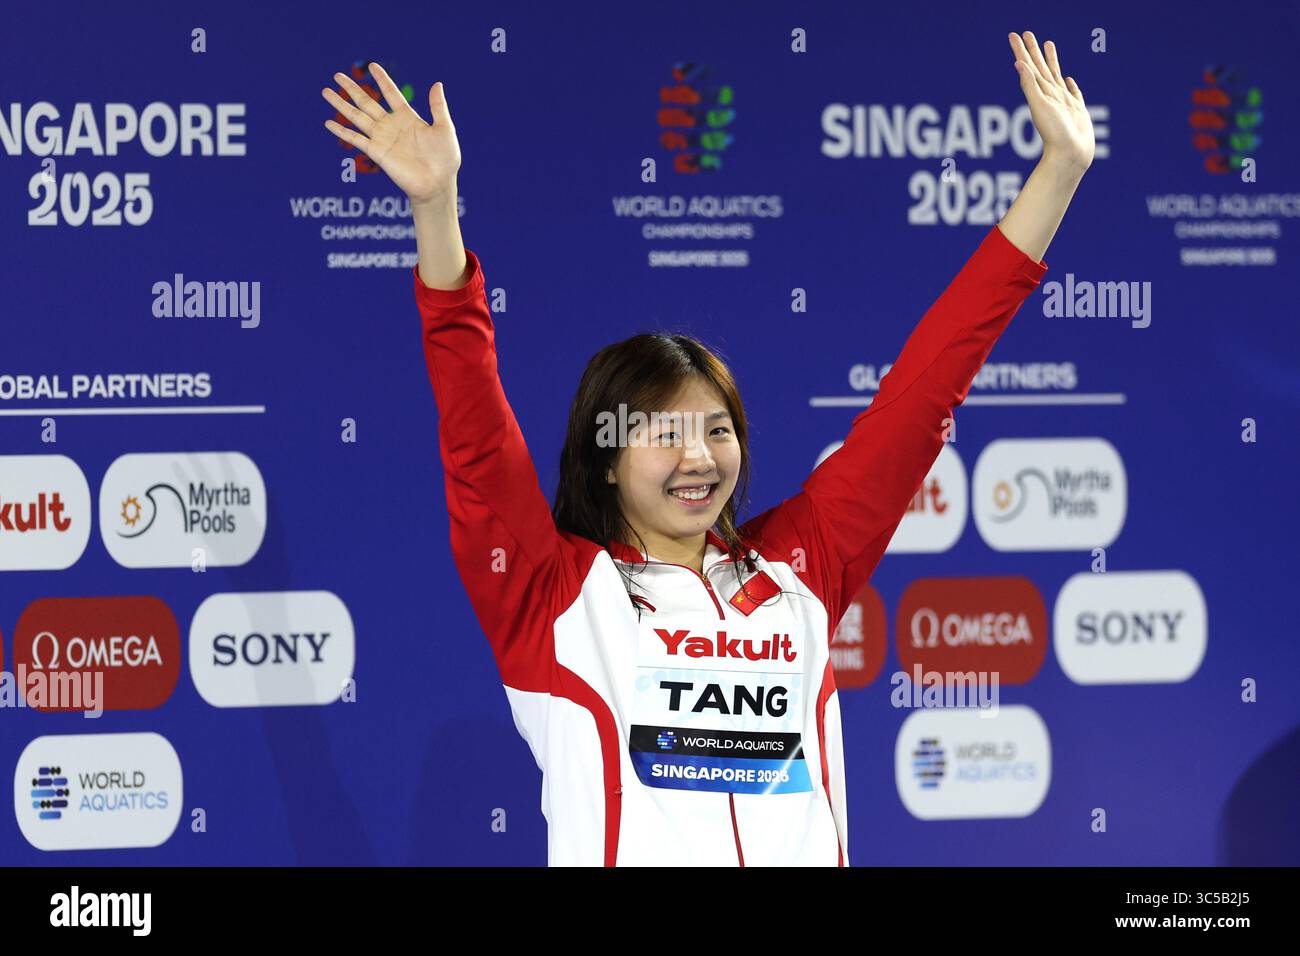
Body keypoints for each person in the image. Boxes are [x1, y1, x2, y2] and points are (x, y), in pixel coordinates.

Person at [322, 31, 1093, 866]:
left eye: (717, 430)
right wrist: (436, 211)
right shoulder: (551, 594)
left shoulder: (804, 563)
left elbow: (928, 386)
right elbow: (475, 433)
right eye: (665, 434)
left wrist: (1058, 173)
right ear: (606, 455)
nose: (700, 458)